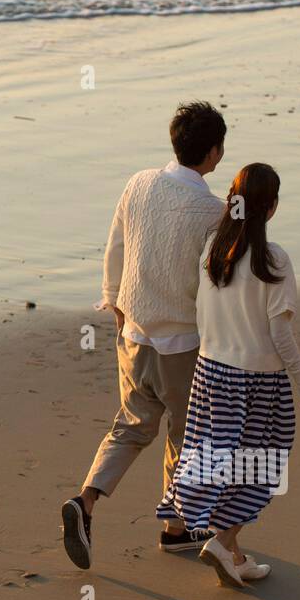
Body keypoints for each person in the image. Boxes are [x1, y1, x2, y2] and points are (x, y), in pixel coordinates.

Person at [61, 102, 226, 570]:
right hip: (183, 341)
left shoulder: (138, 183)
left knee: (131, 426)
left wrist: (112, 298)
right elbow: (213, 283)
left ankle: (87, 500)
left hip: (133, 330)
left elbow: (116, 243)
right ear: (213, 152)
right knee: (187, 432)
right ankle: (177, 527)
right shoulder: (212, 212)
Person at [156, 162, 300, 587]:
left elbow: (200, 310)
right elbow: (280, 333)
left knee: (212, 459)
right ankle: (223, 539)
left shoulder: (213, 247)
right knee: (260, 466)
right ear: (271, 208)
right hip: (258, 381)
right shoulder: (273, 259)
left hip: (210, 375)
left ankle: (229, 551)